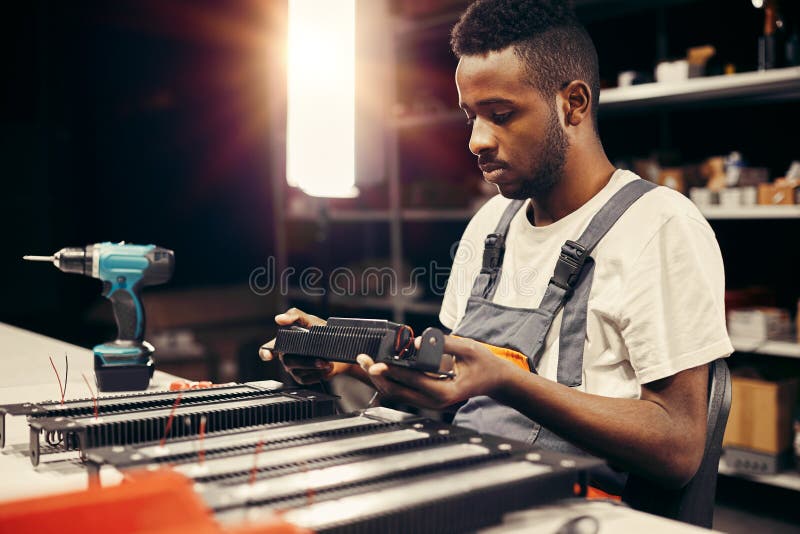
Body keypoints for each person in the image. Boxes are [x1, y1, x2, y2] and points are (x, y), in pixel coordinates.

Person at [260, 0, 732, 491]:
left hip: (578, 508)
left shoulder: (658, 227)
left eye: (501, 114)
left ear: (574, 103)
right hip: (469, 481)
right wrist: (354, 360)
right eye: (471, 117)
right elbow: (450, 386)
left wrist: (507, 382)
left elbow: (678, 447)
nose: (476, 141)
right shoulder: (492, 224)